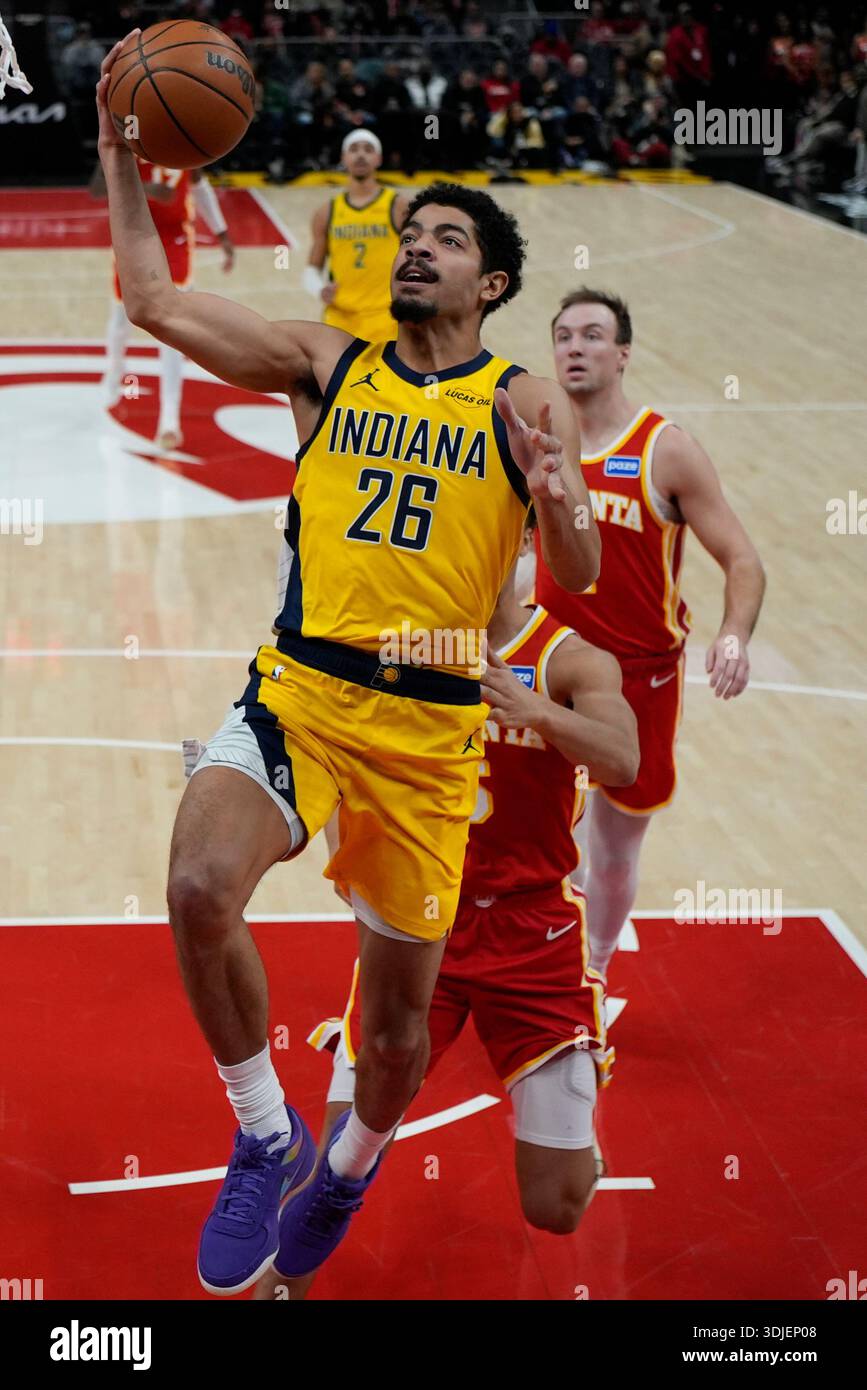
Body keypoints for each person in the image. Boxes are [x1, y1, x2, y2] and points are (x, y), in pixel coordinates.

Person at [96, 32, 600, 1298]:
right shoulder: (329, 364)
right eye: (412, 231)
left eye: (446, 239)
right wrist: (118, 155)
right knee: (200, 886)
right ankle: (266, 1130)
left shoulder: (522, 401)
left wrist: (561, 502)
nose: (418, 246)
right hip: (301, 693)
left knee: (388, 1044)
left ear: (489, 287)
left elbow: (580, 577)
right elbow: (154, 304)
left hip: (431, 737)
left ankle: (355, 1160)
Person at [251, 516, 639, 1297]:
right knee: (338, 1158)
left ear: (523, 549)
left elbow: (624, 759)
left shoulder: (569, 658)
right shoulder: (398, 648)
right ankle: (277, 1280)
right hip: (418, 921)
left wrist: (540, 717)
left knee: (556, 1208)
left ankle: (569, 1112)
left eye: (503, 537)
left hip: (532, 930)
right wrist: (356, 880)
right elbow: (339, 753)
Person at [531, 289, 765, 982]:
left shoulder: (667, 451)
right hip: (552, 668)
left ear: (622, 353)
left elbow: (742, 559)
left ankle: (593, 972)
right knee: (543, 838)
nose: (574, 347)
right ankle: (547, 967)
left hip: (640, 679)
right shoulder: (536, 443)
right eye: (564, 336)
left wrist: (733, 636)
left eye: (592, 336)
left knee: (610, 846)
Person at [89, 157, 235, 451]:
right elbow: (96, 188)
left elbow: (200, 185)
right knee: (121, 319)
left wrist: (222, 234)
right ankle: (115, 371)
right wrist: (145, 188)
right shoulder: (126, 142)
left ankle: (169, 416)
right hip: (132, 237)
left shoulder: (179, 139)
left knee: (172, 328)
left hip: (175, 241)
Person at [305, 131, 409, 344]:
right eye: (354, 149)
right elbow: (311, 269)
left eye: (368, 149)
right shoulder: (326, 212)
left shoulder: (398, 206)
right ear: (344, 158)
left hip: (388, 318)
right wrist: (319, 289)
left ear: (379, 159)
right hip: (340, 319)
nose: (360, 155)